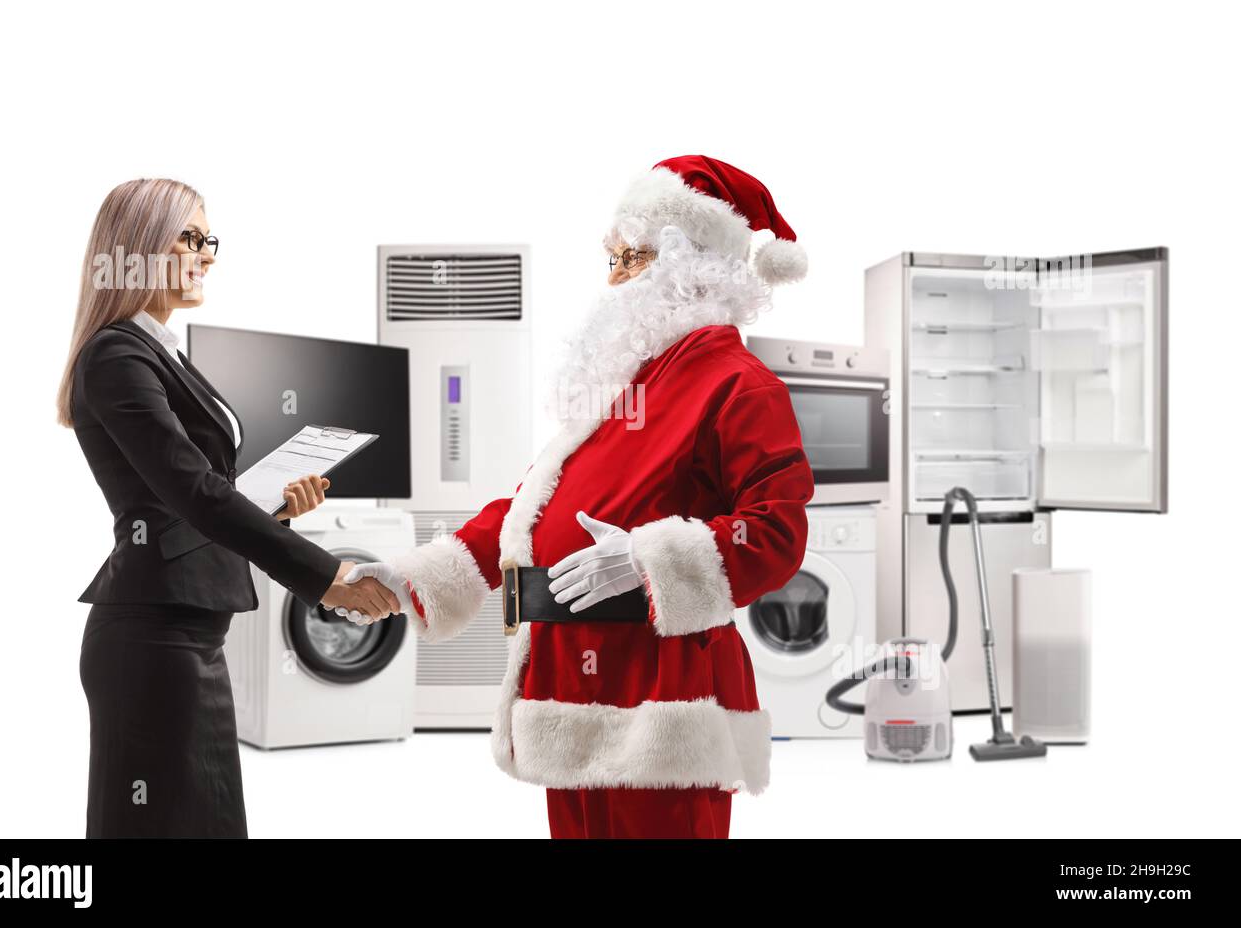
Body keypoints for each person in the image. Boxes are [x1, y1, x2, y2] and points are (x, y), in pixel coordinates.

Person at [344, 156, 815, 838]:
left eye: (631, 259)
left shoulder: (739, 384)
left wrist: (646, 559)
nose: (613, 280)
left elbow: (775, 534)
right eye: (614, 259)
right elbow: (526, 511)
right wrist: (409, 580)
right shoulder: (620, 388)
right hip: (569, 692)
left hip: (666, 698)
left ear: (693, 269)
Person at [57, 178, 399, 838]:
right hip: (152, 638)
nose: (208, 254)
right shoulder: (115, 355)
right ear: (140, 248)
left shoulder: (163, 352)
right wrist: (327, 577)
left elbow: (200, 494)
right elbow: (192, 492)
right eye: (191, 238)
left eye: (209, 239)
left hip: (190, 632)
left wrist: (273, 510)